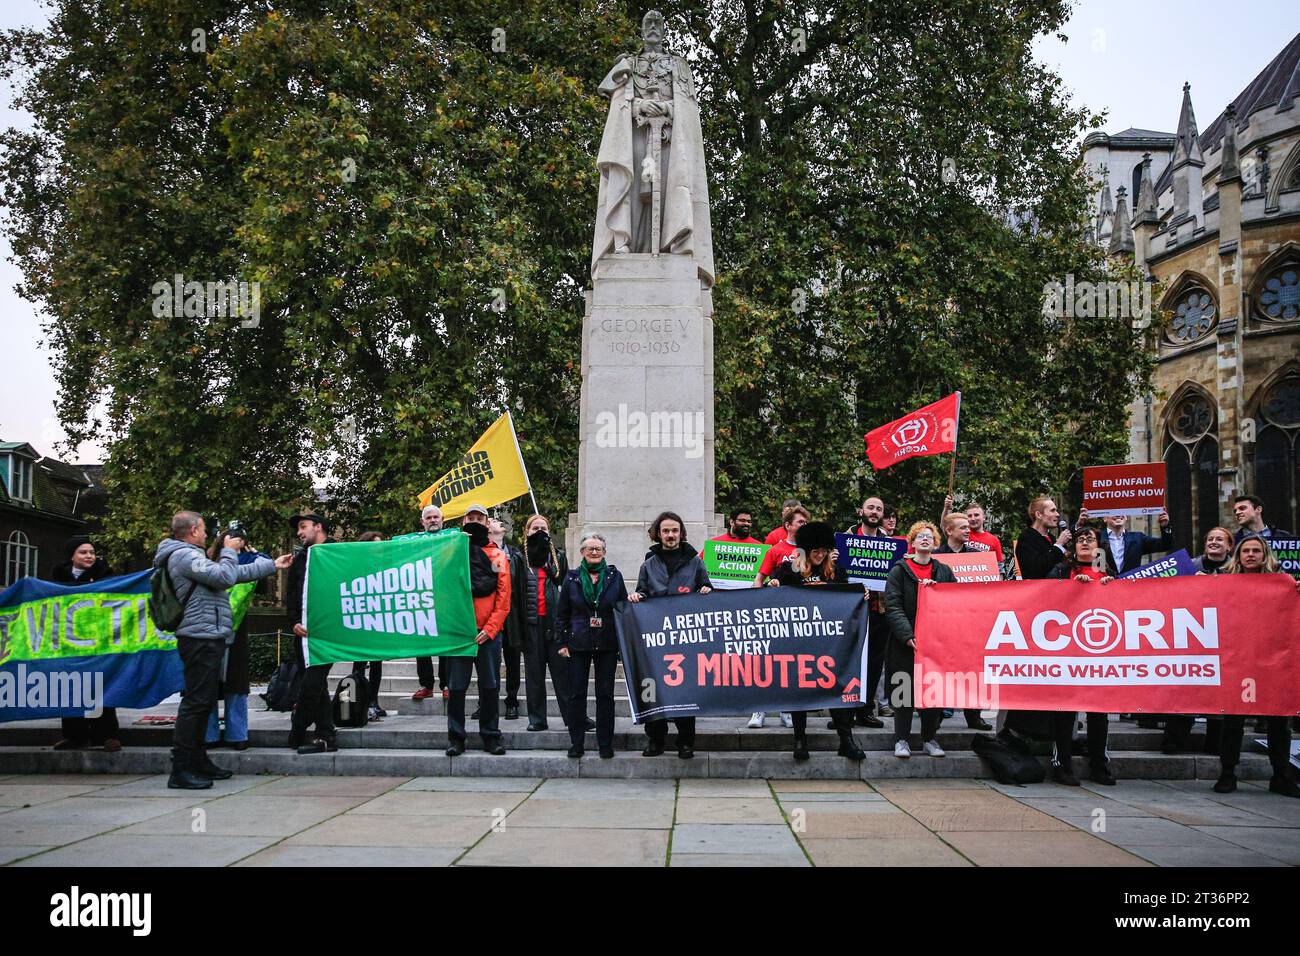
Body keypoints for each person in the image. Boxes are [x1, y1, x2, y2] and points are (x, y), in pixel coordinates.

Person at [154, 511, 288, 789]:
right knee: (195, 702)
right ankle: (180, 768)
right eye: (203, 529)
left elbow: (232, 574)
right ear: (192, 530)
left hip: (209, 634)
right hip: (199, 636)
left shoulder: (191, 556)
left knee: (203, 702)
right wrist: (228, 550)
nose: (206, 534)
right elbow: (226, 576)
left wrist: (272, 565)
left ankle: (199, 760)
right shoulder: (184, 556)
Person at [767, 521, 866, 761]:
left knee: (837, 688)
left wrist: (860, 595)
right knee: (799, 692)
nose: (820, 555)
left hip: (832, 644)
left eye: (824, 550)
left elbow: (847, 600)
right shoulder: (789, 571)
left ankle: (846, 740)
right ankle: (800, 740)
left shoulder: (837, 570)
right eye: (815, 551)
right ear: (805, 550)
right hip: (799, 644)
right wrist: (774, 586)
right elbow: (775, 602)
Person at [1213, 535, 1300, 798]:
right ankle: (1227, 773)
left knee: (1278, 721)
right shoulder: (1224, 583)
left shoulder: (1282, 584)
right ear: (1238, 555)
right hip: (1238, 659)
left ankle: (1281, 775)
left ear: (1265, 555)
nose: (1251, 555)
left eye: (1256, 551)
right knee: (1233, 721)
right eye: (1246, 551)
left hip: (1273, 660)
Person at [629, 511, 711, 758]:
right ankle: (656, 739)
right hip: (656, 640)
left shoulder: (695, 561)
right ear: (658, 534)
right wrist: (637, 596)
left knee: (685, 691)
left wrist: (707, 589)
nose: (670, 535)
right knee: (653, 690)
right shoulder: (648, 564)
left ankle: (686, 742)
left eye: (674, 530)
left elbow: (706, 587)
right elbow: (642, 591)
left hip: (685, 640)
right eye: (665, 531)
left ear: (681, 533)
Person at [1046, 525, 1118, 786]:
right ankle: (1062, 764)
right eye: (1081, 540)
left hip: (1099, 655)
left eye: (1091, 539)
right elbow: (1043, 599)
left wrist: (1114, 589)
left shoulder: (1107, 572)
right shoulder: (1063, 571)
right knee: (1065, 711)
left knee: (1099, 711)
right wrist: (1070, 588)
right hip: (1067, 653)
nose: (1085, 543)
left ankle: (1100, 763)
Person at [884, 521, 957, 759]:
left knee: (933, 693)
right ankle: (902, 739)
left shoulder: (944, 571)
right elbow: (893, 606)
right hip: (905, 644)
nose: (925, 539)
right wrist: (907, 635)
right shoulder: (899, 570)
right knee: (903, 691)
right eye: (919, 536)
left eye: (929, 536)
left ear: (935, 543)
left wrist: (939, 591)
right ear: (912, 543)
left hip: (935, 644)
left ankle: (929, 738)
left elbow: (955, 602)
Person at [1162, 526, 1236, 754]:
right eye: (1210, 538)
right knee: (1186, 688)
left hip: (1225, 637)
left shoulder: (1238, 569)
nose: (1214, 542)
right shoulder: (1189, 566)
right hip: (1193, 635)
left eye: (1219, 539)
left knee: (1220, 693)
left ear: (1229, 546)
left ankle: (1217, 742)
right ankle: (1174, 739)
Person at [445, 504, 511, 756]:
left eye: (479, 518)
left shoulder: (498, 557)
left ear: (487, 523)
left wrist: (491, 629)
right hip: (461, 635)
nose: (474, 521)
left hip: (488, 634)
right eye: (470, 517)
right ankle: (456, 738)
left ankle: (491, 736)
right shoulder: (451, 554)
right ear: (463, 522)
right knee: (457, 687)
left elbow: (503, 598)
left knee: (490, 686)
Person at [556, 532, 629, 759]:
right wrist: (561, 641)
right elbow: (562, 613)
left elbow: (623, 609)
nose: (594, 552)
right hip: (578, 643)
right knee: (576, 695)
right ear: (582, 553)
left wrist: (623, 642)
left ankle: (605, 743)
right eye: (590, 549)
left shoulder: (614, 576)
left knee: (605, 695)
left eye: (598, 549)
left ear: (604, 552)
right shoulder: (572, 578)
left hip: (607, 643)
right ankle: (576, 743)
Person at [48, 536, 122, 752]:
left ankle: (107, 735)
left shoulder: (105, 574)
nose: (89, 556)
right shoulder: (59, 574)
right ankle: (75, 736)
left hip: (97, 639)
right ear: (71, 556)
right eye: (83, 552)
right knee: (70, 685)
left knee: (100, 684)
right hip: (69, 638)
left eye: (91, 552)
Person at [205, 526, 269, 751]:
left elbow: (263, 579)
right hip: (209, 628)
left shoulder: (247, 563)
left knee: (236, 685)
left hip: (236, 628)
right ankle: (209, 734)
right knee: (207, 686)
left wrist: (255, 555)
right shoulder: (209, 563)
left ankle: (236, 734)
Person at [514, 514, 580, 732]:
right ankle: (537, 719)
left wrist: (548, 563)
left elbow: (563, 583)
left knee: (563, 675)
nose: (539, 531)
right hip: (532, 624)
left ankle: (573, 717)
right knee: (534, 676)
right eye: (535, 528)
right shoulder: (519, 558)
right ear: (527, 532)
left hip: (554, 623)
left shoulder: (557, 556)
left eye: (543, 527)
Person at [747, 505, 810, 728]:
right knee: (764, 663)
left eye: (805, 522)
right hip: (771, 614)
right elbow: (758, 578)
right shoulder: (774, 549)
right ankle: (758, 711)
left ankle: (787, 710)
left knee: (789, 665)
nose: (804, 525)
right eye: (800, 522)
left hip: (796, 616)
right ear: (788, 525)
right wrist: (761, 596)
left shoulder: (807, 551)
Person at [933, 512, 995, 731]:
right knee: (941, 668)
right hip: (943, 622)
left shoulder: (978, 555)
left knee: (974, 668)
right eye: (963, 527)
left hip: (971, 621)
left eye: (969, 527)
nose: (968, 530)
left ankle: (974, 715)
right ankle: (937, 712)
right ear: (949, 531)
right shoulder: (935, 556)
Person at [286, 513, 339, 755]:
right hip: (304, 633)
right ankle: (326, 734)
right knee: (315, 685)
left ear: (318, 527)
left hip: (327, 633)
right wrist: (294, 621)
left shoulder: (339, 553)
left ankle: (298, 726)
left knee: (312, 682)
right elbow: (291, 595)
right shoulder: (300, 559)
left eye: (303, 527)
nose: (299, 532)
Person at [836, 495, 889, 729]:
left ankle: (866, 710)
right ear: (861, 511)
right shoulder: (844, 540)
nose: (875, 512)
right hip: (851, 611)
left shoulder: (891, 545)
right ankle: (843, 712)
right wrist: (833, 559)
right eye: (871, 507)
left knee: (874, 662)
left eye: (879, 509)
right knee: (847, 660)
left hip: (879, 610)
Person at [406, 504, 448, 702]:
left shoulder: (453, 540)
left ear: (443, 520)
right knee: (422, 645)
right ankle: (426, 684)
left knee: (445, 644)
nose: (432, 520)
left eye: (436, 517)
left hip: (445, 600)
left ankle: (446, 683)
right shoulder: (412, 543)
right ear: (422, 522)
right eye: (428, 518)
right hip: (421, 599)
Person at [490, 515, 524, 721]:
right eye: (493, 520)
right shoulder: (480, 552)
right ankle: (486, 702)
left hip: (511, 616)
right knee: (489, 663)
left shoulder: (516, 555)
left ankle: (512, 700)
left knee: (512, 661)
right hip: (489, 614)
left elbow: (519, 586)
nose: (498, 522)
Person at [351, 531, 387, 721]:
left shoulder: (385, 566)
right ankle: (356, 700)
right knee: (359, 663)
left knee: (376, 663)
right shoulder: (358, 567)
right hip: (362, 621)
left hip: (379, 620)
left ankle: (373, 701)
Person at [1082, 509, 1174, 575]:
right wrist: (1079, 524)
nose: (1118, 515)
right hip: (1104, 590)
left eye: (1122, 512)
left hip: (1131, 591)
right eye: (1113, 512)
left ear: (1126, 517)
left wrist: (1165, 526)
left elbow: (1165, 545)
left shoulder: (1138, 538)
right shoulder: (1096, 538)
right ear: (1105, 518)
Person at [1014, 496, 1072, 580]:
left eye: (1056, 510)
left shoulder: (1051, 538)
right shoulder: (1026, 538)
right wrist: (1058, 546)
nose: (1057, 514)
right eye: (1052, 511)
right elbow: (1035, 570)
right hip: (1039, 591)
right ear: (1039, 515)